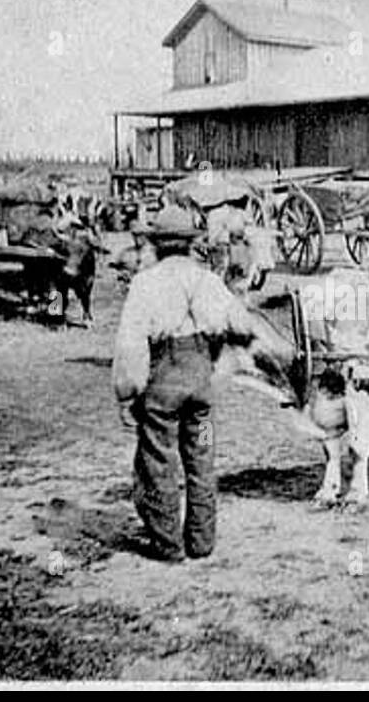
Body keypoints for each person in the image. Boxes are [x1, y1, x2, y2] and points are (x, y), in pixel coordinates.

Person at [111, 204, 274, 562]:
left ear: (157, 245)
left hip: (163, 390)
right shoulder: (208, 281)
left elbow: (130, 345)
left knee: (158, 460)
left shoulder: (144, 283)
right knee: (201, 459)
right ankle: (202, 542)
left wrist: (127, 395)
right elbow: (242, 325)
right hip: (202, 389)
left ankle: (168, 545)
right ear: (189, 244)